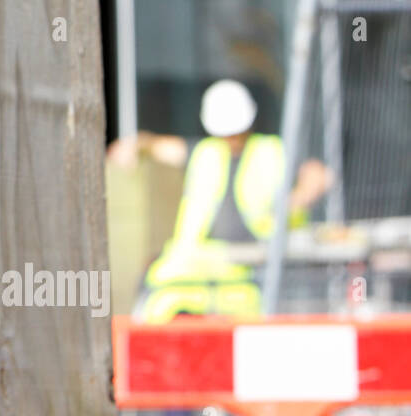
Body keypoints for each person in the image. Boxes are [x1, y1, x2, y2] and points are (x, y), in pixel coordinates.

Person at [108, 79, 331, 322]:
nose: (231, 138)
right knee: (159, 290)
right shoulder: (206, 152)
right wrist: (135, 144)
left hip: (255, 267)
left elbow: (319, 175)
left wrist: (296, 200)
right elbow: (159, 146)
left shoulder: (272, 151)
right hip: (201, 262)